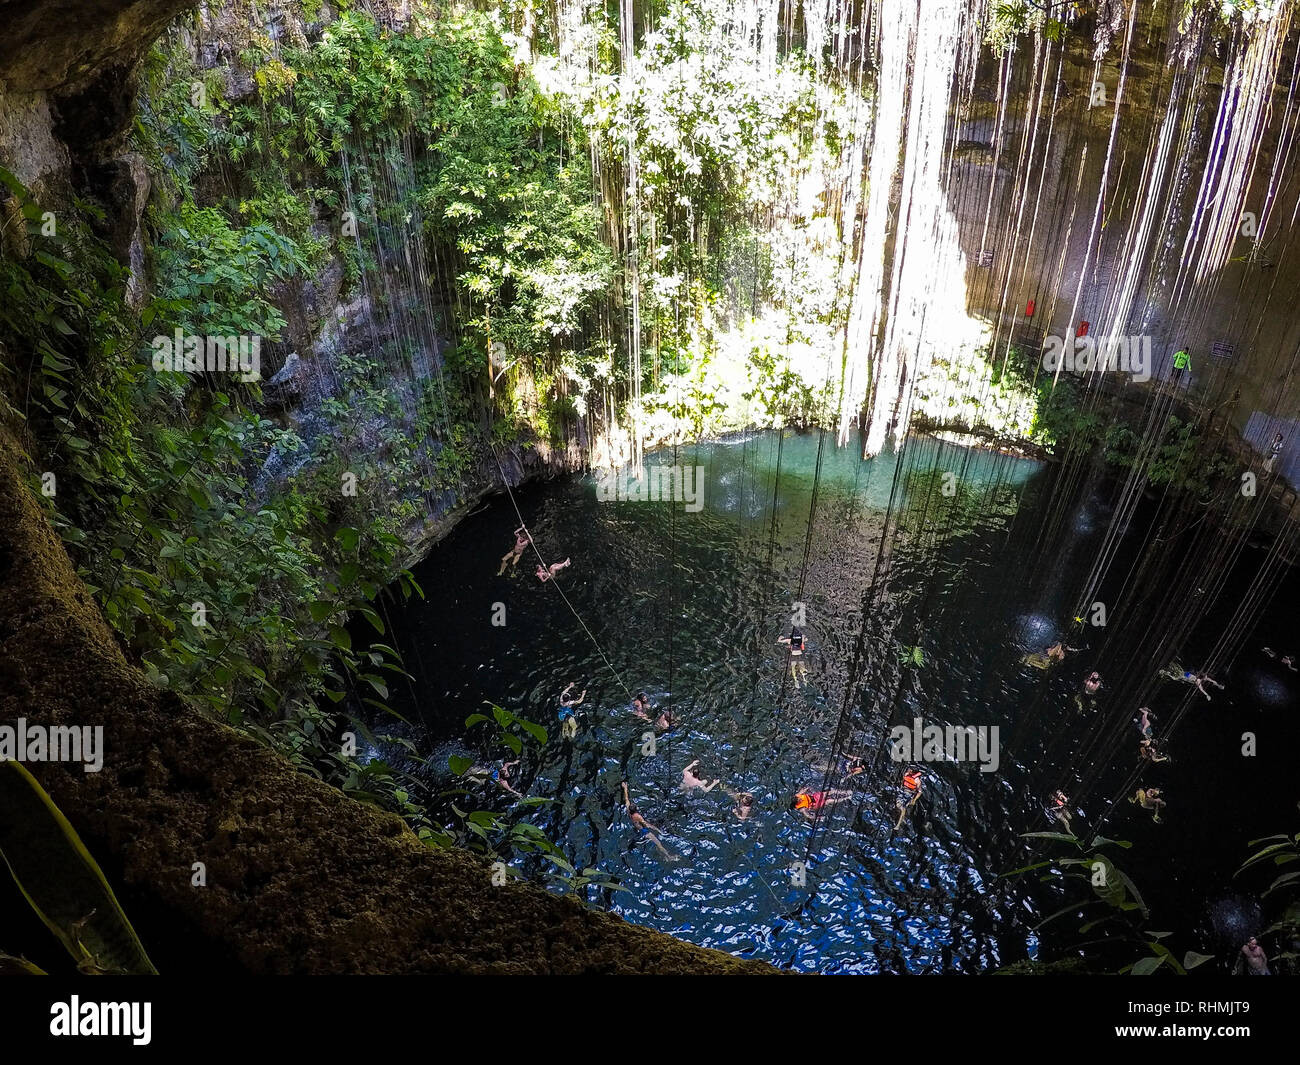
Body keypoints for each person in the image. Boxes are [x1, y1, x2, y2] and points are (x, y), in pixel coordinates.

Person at [621, 781, 678, 860]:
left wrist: (625, 788)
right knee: (658, 843)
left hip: (635, 826)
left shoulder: (628, 810)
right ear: (636, 809)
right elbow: (645, 824)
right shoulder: (638, 816)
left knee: (656, 833)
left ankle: (664, 853)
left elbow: (626, 798)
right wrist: (654, 828)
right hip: (644, 831)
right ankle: (669, 857)